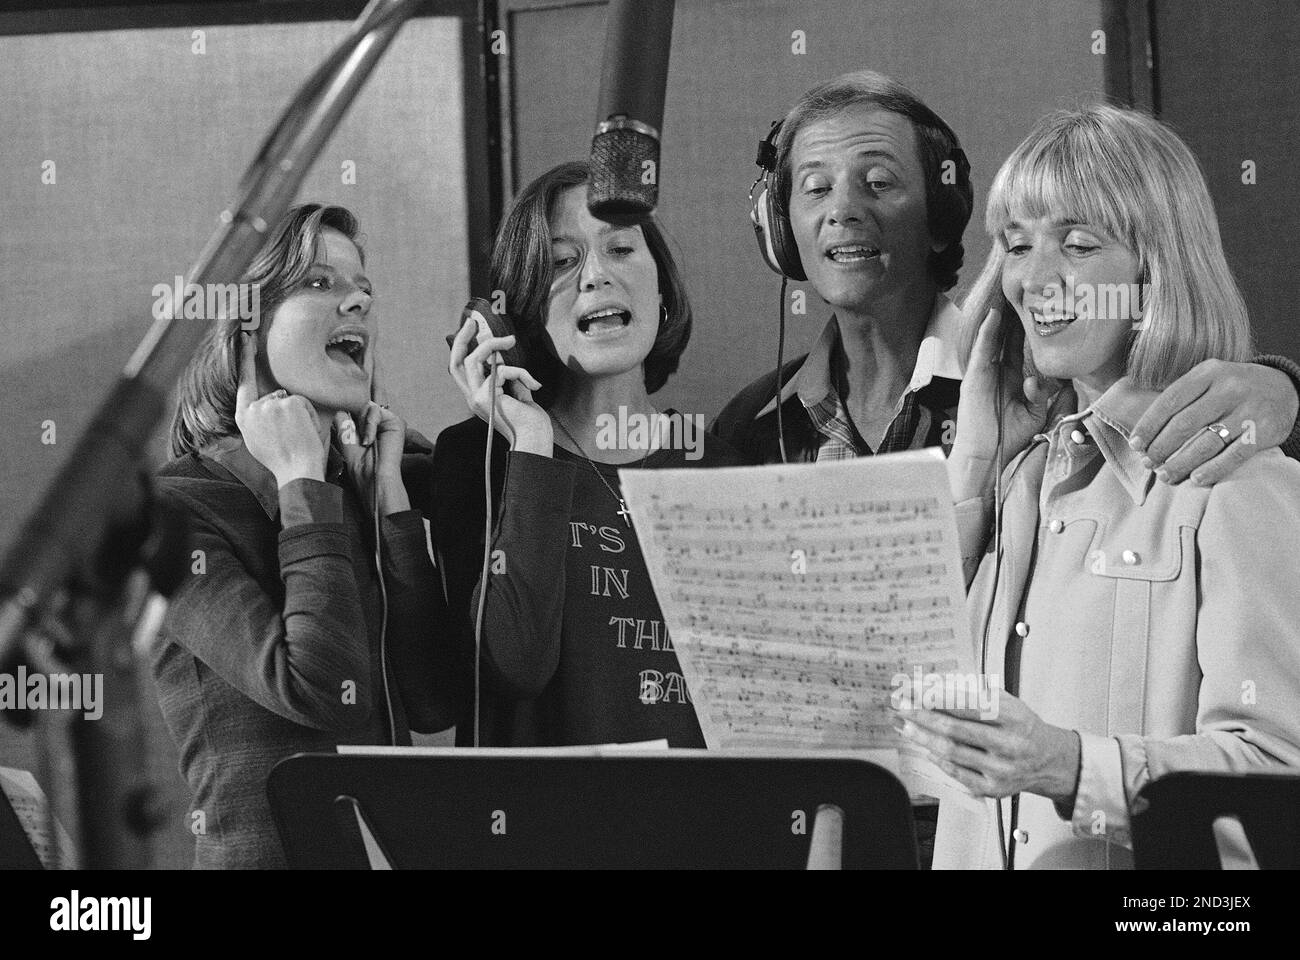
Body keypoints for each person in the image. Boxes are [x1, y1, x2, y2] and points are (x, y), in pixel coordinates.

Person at [900, 105, 1300, 869]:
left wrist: (1070, 768)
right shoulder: (1011, 488)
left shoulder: (1238, 483)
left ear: (1158, 271)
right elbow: (897, 725)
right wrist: (975, 469)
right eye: (1016, 245)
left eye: (1079, 244)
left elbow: (1279, 782)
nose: (1034, 276)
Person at [710, 70, 1300, 478]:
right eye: (816, 188)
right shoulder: (749, 423)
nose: (842, 210)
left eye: (879, 183)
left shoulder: (1035, 370)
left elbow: (1179, 404)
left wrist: (1285, 392)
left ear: (940, 219)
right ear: (781, 230)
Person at [154, 203, 457, 868]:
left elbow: (434, 700)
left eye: (363, 288)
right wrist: (298, 481)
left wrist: (392, 511)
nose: (356, 302)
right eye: (319, 284)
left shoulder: (358, 487)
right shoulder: (178, 510)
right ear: (243, 333)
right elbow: (319, 688)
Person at [429, 160, 745, 748]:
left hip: (698, 829)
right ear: (517, 312)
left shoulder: (722, 470)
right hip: (534, 831)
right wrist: (531, 445)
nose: (595, 276)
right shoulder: (476, 459)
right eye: (560, 262)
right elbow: (514, 666)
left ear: (662, 290)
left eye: (620, 250)